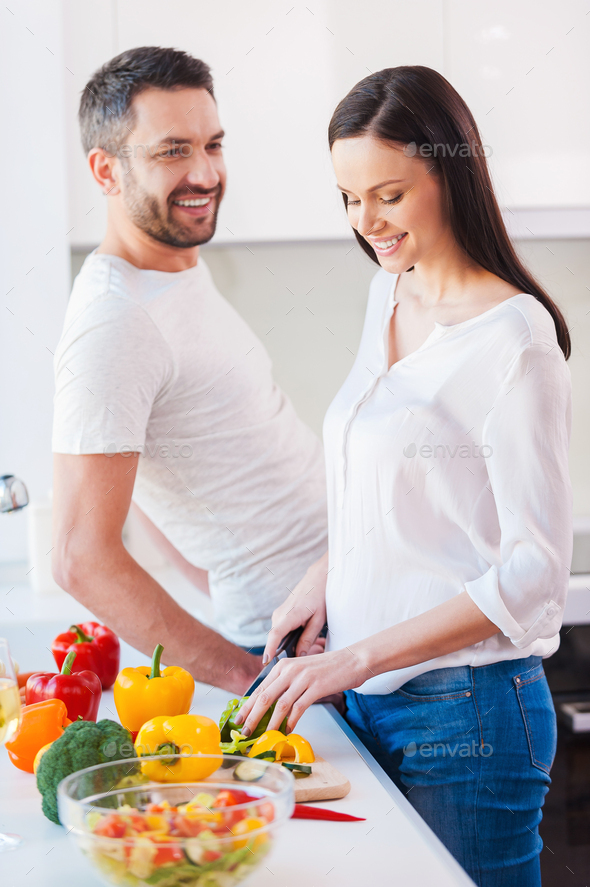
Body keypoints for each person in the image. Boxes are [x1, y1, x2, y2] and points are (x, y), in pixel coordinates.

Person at [236, 66, 572, 886]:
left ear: (449, 173)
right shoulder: (389, 291)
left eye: (386, 193)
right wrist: (324, 579)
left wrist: (351, 660)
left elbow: (534, 576)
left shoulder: (514, 341)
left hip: (468, 717)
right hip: (371, 701)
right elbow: (378, 488)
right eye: (349, 198)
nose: (367, 222)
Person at [51, 46, 327, 693]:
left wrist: (215, 576)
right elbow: (80, 558)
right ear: (106, 171)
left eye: (213, 144)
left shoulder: (173, 272)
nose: (205, 172)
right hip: (296, 650)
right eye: (172, 151)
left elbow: (144, 465)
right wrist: (254, 674)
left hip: (329, 626)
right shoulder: (113, 321)